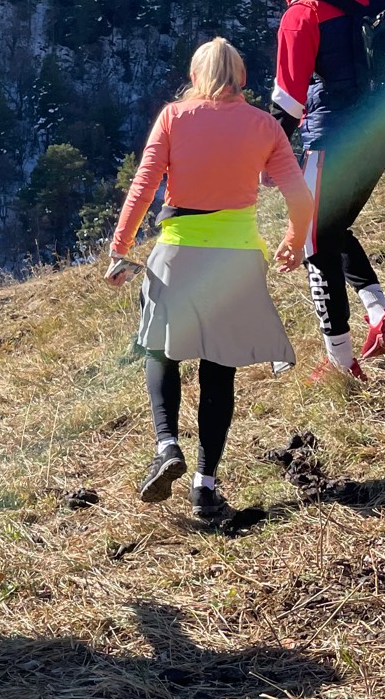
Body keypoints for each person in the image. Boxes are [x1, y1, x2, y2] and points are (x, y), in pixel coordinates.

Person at [108, 38, 314, 525]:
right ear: (241, 77)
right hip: (238, 262)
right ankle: (206, 489)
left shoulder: (175, 117)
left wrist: (119, 249)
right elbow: (299, 194)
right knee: (220, 371)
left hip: (177, 253)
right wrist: (293, 239)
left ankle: (166, 445)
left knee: (159, 349)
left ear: (196, 76)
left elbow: (143, 185)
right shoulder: (264, 126)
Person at [266, 0, 385, 378]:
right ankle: (379, 317)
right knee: (332, 228)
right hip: (382, 132)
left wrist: (265, 154)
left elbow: (288, 102)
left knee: (313, 242)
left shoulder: (302, 13)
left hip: (333, 140)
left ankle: (341, 362)